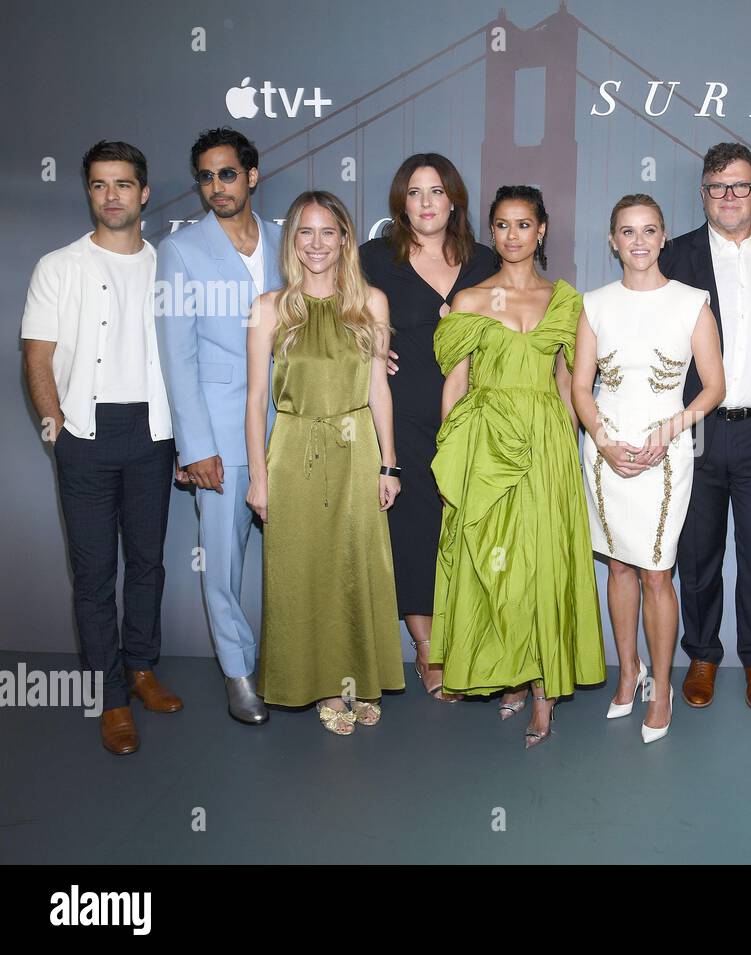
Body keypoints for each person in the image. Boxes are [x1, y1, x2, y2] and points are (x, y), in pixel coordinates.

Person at [431, 185, 604, 748]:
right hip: (486, 445)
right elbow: (454, 386)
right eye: (502, 225)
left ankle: (542, 692)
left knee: (542, 563)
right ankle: (509, 668)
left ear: (542, 230)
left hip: (548, 443)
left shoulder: (566, 301)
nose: (512, 235)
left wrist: (571, 455)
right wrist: (450, 462)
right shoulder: (470, 300)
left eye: (524, 224)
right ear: (492, 231)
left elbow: (568, 381)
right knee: (496, 564)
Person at [21, 140, 179, 755]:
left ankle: (141, 671)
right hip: (83, 433)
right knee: (93, 576)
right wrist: (54, 425)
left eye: (121, 184)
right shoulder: (57, 266)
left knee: (148, 561)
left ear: (143, 193)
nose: (110, 195)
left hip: (151, 434)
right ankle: (110, 696)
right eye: (98, 185)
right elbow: (37, 356)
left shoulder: (170, 265)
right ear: (88, 193)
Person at [244, 191, 405, 735]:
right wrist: (259, 478)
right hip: (293, 449)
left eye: (327, 232)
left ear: (344, 239)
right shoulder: (270, 307)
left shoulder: (371, 304)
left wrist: (390, 463)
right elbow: (255, 398)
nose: (316, 244)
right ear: (292, 241)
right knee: (303, 569)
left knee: (354, 566)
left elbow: (380, 388)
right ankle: (318, 688)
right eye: (304, 233)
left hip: (357, 445)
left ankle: (355, 679)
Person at [572, 194, 724, 744]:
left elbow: (715, 387)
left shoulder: (691, 303)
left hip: (667, 451)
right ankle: (627, 672)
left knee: (658, 572)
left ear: (664, 238)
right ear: (612, 241)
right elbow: (580, 387)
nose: (639, 241)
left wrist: (670, 431)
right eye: (627, 232)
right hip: (605, 453)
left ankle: (661, 688)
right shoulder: (593, 305)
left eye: (649, 230)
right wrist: (605, 442)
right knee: (617, 568)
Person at [658, 142, 751, 711]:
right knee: (696, 551)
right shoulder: (673, 257)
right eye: (717, 187)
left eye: (740, 186)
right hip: (697, 427)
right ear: (703, 194)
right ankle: (701, 655)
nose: (729, 197)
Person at [154, 128, 282, 725]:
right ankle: (238, 672)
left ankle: (299, 667)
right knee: (223, 565)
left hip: (296, 426)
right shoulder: (179, 251)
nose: (216, 187)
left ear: (251, 176)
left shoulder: (291, 240)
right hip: (222, 433)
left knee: (297, 558)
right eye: (206, 177)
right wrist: (195, 445)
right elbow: (176, 357)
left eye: (227, 174)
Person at [358, 153, 496, 701]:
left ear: (453, 198)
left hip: (473, 415)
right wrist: (365, 352)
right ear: (401, 203)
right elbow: (333, 315)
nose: (425, 203)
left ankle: (469, 638)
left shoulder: (485, 260)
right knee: (414, 526)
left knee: (463, 526)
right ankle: (427, 647)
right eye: (414, 194)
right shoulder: (373, 258)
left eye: (436, 192)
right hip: (403, 411)